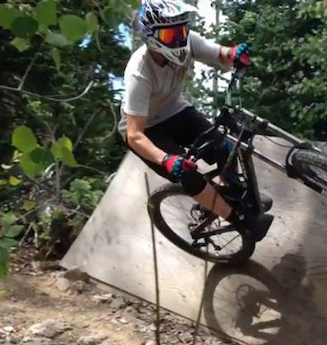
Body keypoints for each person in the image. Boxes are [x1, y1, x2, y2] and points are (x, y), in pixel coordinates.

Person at [117, 0, 274, 242]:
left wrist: (234, 54)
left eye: (181, 30)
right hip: (146, 129)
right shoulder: (139, 72)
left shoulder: (188, 41)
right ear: (151, 36)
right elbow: (134, 135)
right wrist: (166, 159)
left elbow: (220, 54)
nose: (179, 38)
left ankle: (234, 194)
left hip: (175, 110)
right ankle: (239, 220)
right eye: (171, 33)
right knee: (188, 174)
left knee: (223, 146)